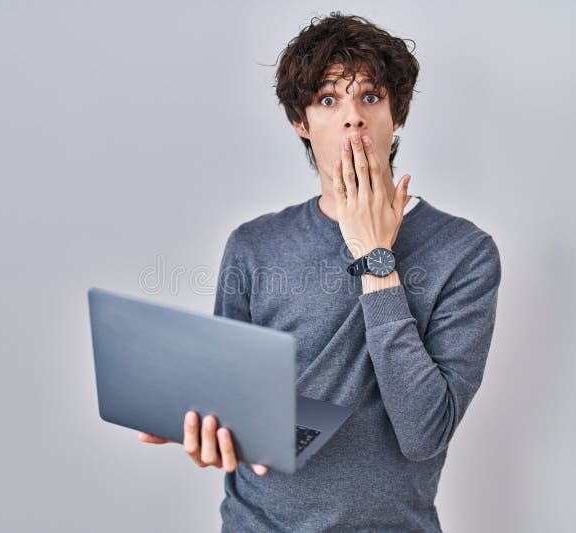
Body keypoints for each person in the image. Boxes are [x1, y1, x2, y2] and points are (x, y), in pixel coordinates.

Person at [139, 11, 502, 532]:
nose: (353, 118)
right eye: (328, 100)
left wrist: (375, 256)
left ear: (396, 114)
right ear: (301, 123)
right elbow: (233, 401)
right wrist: (200, 426)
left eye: (371, 97)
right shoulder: (254, 245)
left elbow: (424, 434)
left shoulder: (465, 253)